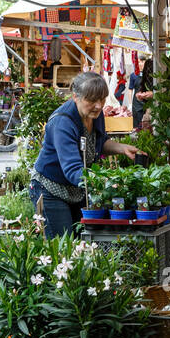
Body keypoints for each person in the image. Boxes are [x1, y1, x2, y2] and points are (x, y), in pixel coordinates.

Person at [31, 72, 140, 238]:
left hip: (78, 188)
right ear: (76, 97)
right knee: (64, 246)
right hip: (51, 188)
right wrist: (104, 181)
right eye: (92, 100)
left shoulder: (95, 114)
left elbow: (99, 142)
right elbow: (73, 170)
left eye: (102, 99)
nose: (98, 105)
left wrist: (122, 148)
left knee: (83, 241)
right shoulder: (63, 122)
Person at [129, 58, 154, 129]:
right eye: (139, 62)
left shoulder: (151, 66)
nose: (140, 64)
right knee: (139, 126)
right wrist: (139, 94)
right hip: (138, 103)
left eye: (142, 62)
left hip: (149, 103)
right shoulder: (133, 75)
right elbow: (130, 89)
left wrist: (153, 94)